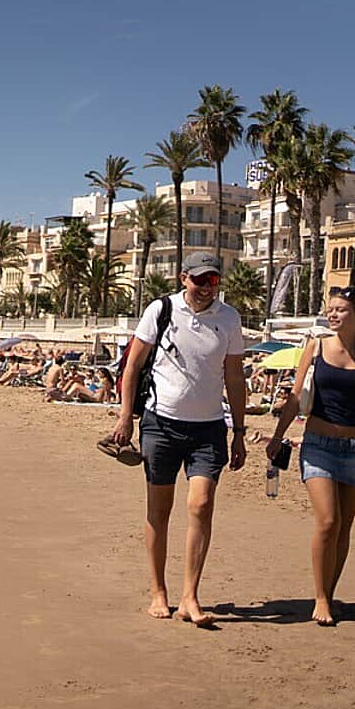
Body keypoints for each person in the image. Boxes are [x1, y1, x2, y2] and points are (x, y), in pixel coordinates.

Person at [111, 252, 247, 626]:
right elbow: (133, 365)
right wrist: (126, 417)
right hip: (161, 424)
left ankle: (190, 596)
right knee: (160, 510)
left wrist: (239, 431)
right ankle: (159, 591)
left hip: (209, 428)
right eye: (200, 280)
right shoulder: (161, 310)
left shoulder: (229, 318)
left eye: (213, 281)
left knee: (201, 505)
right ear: (184, 278)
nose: (206, 288)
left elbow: (235, 378)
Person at [266, 287, 355, 625]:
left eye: (341, 309)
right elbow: (296, 396)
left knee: (343, 527)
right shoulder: (315, 347)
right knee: (328, 521)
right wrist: (277, 435)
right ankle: (320, 598)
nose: (332, 315)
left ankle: (329, 593)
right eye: (330, 309)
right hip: (317, 444)